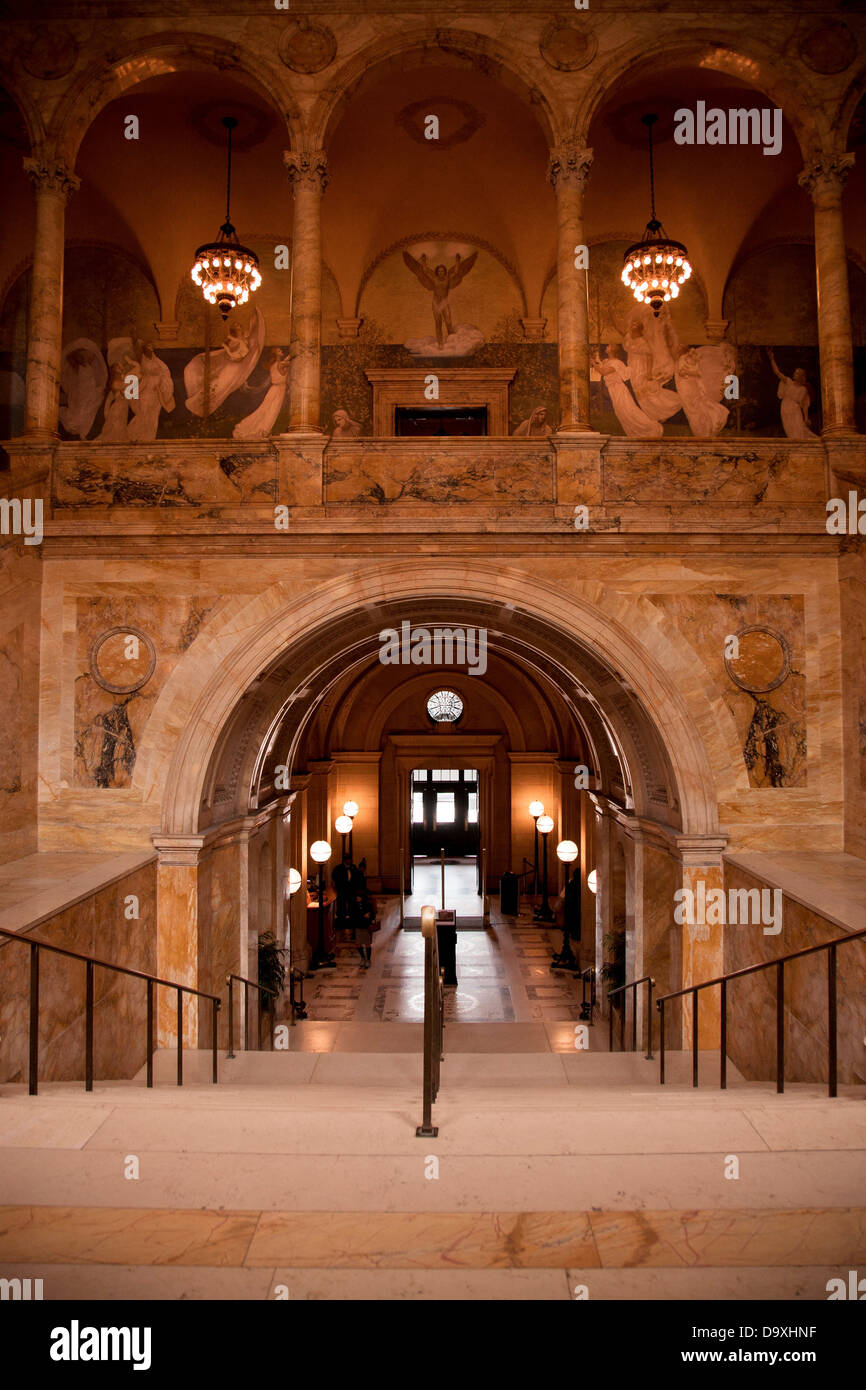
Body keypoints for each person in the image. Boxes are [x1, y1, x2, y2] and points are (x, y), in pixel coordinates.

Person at [351, 890, 377, 968]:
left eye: (359, 897)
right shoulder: (354, 905)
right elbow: (352, 915)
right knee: (358, 944)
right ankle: (362, 958)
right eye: (357, 897)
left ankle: (368, 960)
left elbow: (373, 914)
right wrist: (363, 916)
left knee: (367, 944)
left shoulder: (368, 904)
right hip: (358, 926)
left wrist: (370, 916)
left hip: (366, 926)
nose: (357, 898)